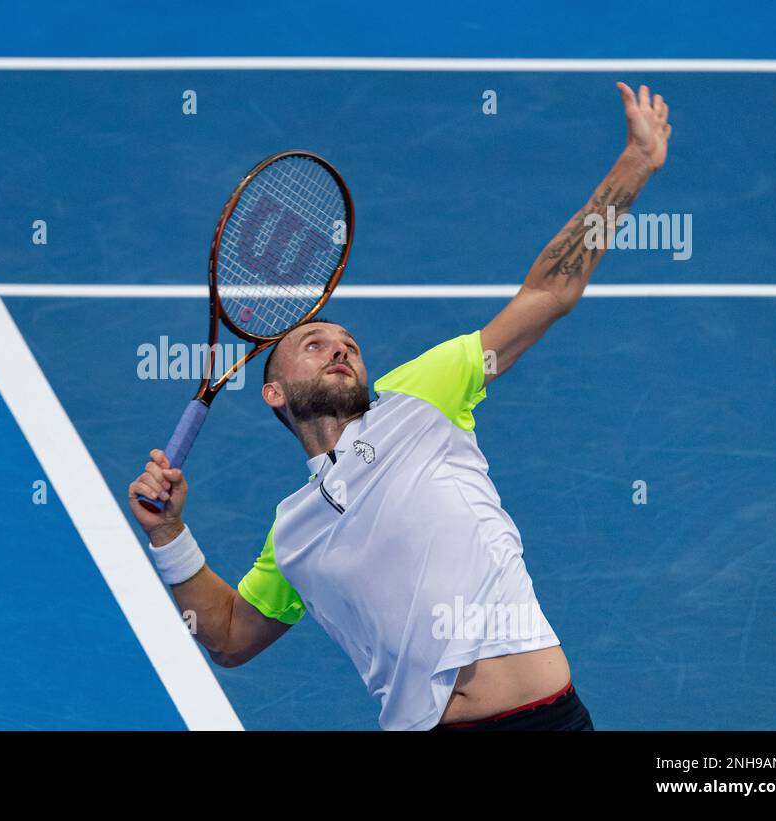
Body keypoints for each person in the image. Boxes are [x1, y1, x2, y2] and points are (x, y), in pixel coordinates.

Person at [128, 82, 671, 730]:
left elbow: (546, 296)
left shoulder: (420, 397)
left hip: (540, 717)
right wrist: (167, 534)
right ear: (272, 392)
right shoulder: (293, 532)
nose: (340, 348)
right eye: (314, 342)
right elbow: (227, 635)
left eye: (349, 344)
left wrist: (634, 165)